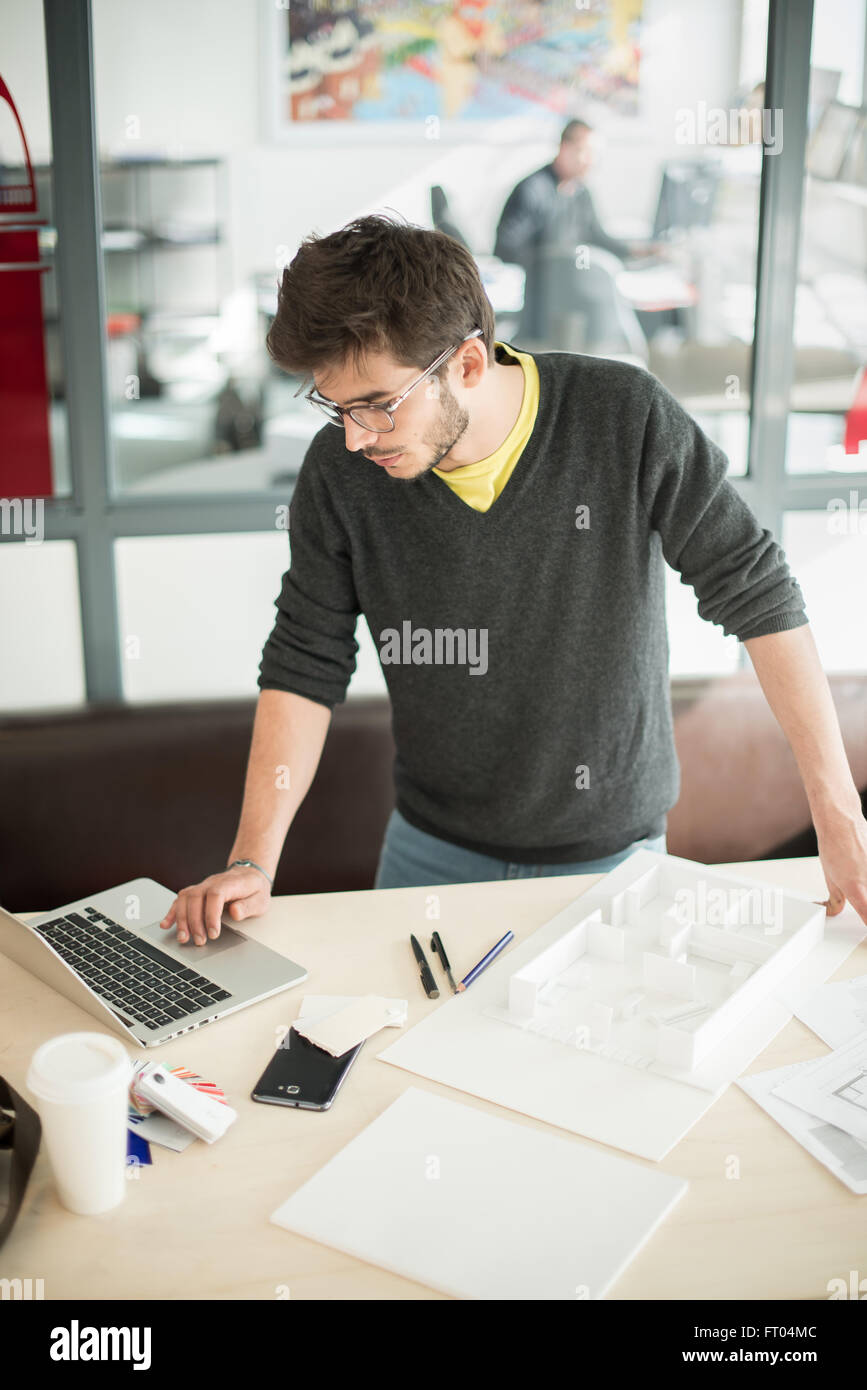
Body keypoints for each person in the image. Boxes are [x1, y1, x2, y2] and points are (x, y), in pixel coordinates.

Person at [159, 213, 867, 944]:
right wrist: (253, 859)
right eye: (335, 406)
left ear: (465, 364)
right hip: (427, 852)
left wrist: (838, 814)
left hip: (610, 857)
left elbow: (756, 593)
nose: (353, 436)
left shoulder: (621, 417)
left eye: (375, 405)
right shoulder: (339, 473)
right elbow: (305, 658)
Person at [494, 118, 655, 352]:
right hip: (540, 299)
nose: (590, 160)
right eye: (584, 151)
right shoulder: (532, 190)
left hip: (576, 301)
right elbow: (505, 247)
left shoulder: (581, 192)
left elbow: (597, 235)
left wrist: (638, 250)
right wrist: (553, 264)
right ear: (564, 149)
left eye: (595, 153)